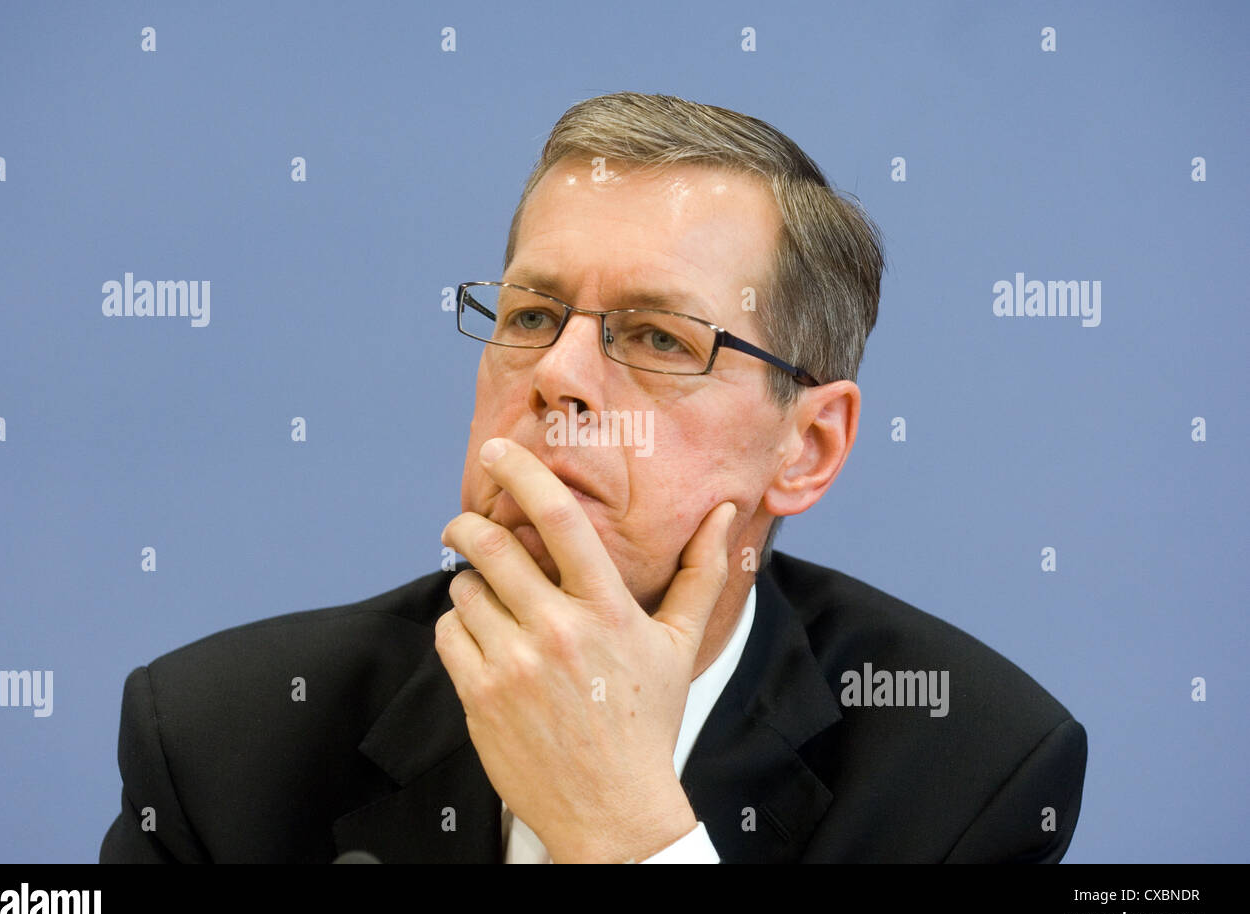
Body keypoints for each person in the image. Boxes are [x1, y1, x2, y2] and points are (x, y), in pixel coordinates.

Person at [100, 91, 1087, 863]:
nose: (559, 376)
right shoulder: (228, 737)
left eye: (657, 336)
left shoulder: (964, 770)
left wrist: (628, 827)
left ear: (808, 446)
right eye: (530, 316)